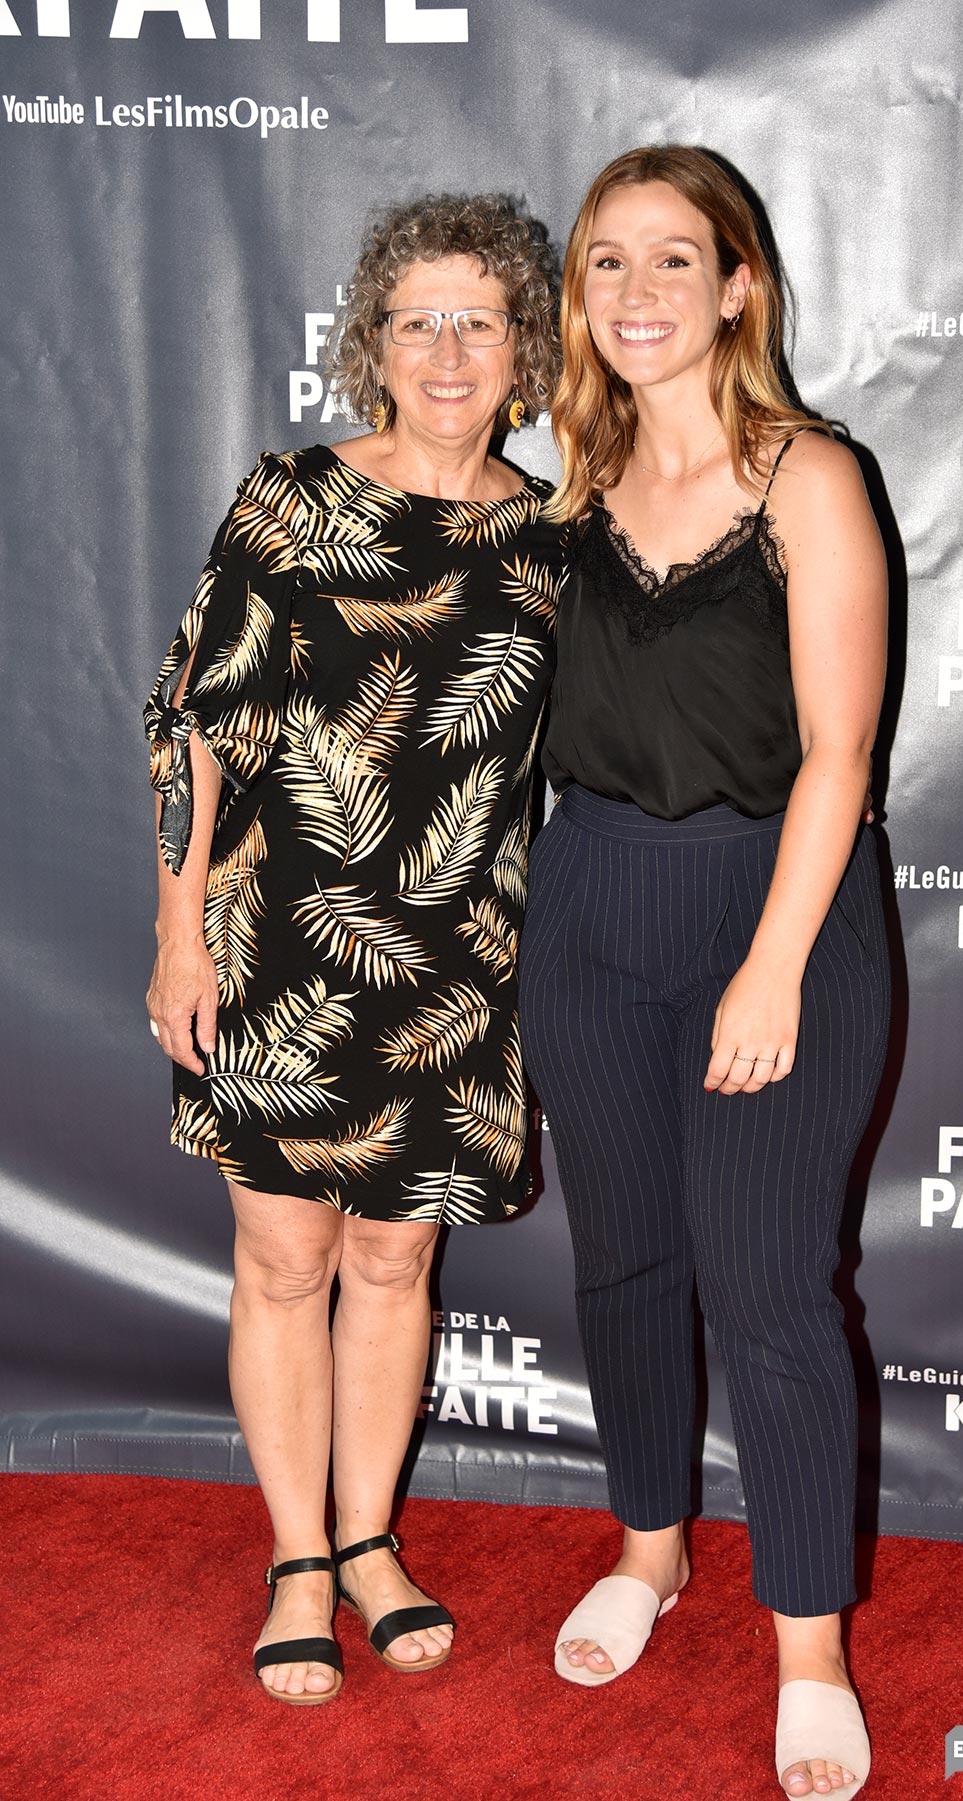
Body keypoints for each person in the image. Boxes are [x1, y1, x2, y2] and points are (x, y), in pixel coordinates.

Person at [144, 194, 565, 1703]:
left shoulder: (551, 537)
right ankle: (299, 1559)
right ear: (370, 343)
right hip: (277, 947)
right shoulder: (293, 498)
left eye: (480, 317)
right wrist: (179, 929)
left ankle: (373, 1536)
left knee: (394, 1263)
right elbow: (196, 722)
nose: (447, 350)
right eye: (415, 320)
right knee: (283, 1256)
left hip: (459, 968)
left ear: (525, 345)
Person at [519, 146, 889, 1798]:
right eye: (609, 263)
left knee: (766, 1286)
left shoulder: (811, 476)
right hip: (589, 907)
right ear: (579, 299)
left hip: (776, 910)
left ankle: (809, 1637)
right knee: (627, 1267)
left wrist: (774, 966)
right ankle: (652, 1546)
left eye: (677, 261)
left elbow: (838, 757)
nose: (641, 293)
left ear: (740, 286)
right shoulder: (562, 485)